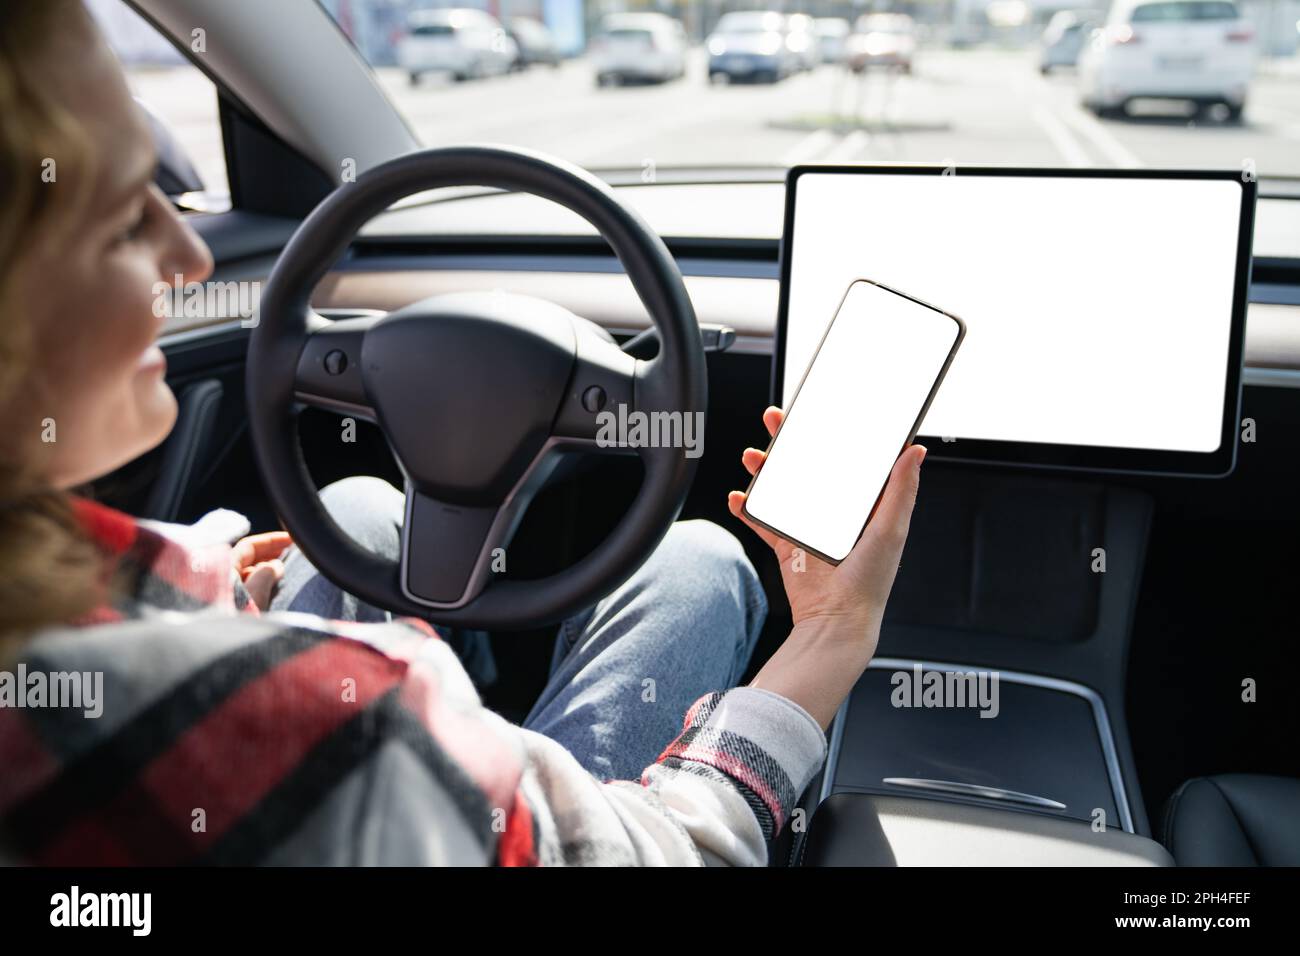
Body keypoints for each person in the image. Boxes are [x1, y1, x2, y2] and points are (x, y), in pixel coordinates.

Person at [0, 0, 925, 866]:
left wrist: (199, 579)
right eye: (127, 218)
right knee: (696, 565)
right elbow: (669, 849)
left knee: (359, 509)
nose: (191, 255)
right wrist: (833, 634)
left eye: (174, 194)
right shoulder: (333, 729)